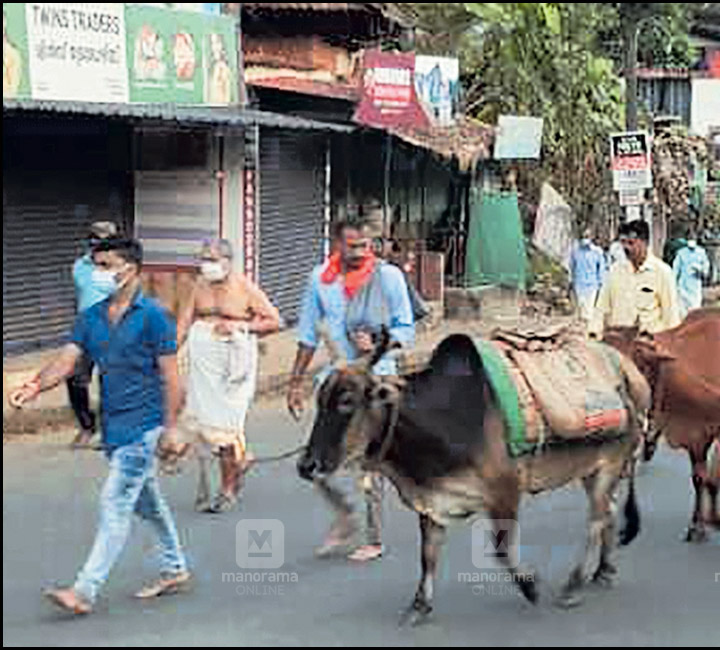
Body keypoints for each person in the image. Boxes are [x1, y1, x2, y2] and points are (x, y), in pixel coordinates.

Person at [10, 238, 191, 616]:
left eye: (106, 264)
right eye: (96, 265)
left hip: (144, 427)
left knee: (115, 503)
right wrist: (34, 385)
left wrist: (172, 427)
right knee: (148, 503)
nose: (99, 273)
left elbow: (172, 377)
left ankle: (84, 590)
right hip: (114, 427)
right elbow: (67, 361)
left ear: (132, 268)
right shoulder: (91, 318)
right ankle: (175, 567)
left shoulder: (154, 316)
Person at [286, 220, 418, 563]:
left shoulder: (388, 277)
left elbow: (406, 327)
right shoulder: (320, 280)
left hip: (375, 379)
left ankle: (374, 538)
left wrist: (378, 344)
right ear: (337, 244)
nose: (359, 253)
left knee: (370, 462)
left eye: (365, 246)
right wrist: (295, 381)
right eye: (352, 246)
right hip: (334, 383)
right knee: (315, 455)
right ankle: (345, 513)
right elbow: (307, 334)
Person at [175, 239, 282, 513]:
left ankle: (227, 489)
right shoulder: (198, 285)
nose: (206, 265)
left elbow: (274, 321)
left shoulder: (244, 287)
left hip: (234, 364)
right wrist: (168, 352)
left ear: (227, 261)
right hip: (202, 362)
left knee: (226, 428)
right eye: (203, 259)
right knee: (206, 427)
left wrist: (239, 325)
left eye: (211, 259)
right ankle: (236, 467)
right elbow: (184, 322)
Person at [68, 221, 119, 449]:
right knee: (75, 378)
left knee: (109, 381)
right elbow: (81, 295)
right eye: (95, 239)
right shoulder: (80, 266)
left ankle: (110, 433)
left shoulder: (122, 268)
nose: (98, 244)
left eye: (104, 240)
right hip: (86, 329)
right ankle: (87, 427)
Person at [589, 220, 681, 339]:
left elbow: (671, 316)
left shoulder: (662, 272)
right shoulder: (614, 271)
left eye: (631, 243)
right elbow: (601, 308)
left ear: (645, 243)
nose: (626, 248)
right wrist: (593, 334)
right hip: (618, 345)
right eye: (623, 243)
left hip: (648, 346)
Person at [568, 229, 607, 324]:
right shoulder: (575, 252)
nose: (585, 239)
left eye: (587, 236)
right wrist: (570, 281)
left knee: (589, 312)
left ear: (591, 238)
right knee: (581, 312)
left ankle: (588, 332)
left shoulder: (597, 252)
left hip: (592, 285)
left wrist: (602, 284)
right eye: (584, 236)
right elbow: (572, 267)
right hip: (579, 285)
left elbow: (601, 269)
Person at [673, 234, 711, 317]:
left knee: (695, 309)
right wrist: (673, 282)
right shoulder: (681, 253)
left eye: (693, 239)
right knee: (682, 310)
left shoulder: (701, 252)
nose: (691, 241)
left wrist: (701, 271)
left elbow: (706, 266)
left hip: (695, 285)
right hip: (683, 285)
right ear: (686, 240)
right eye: (690, 239)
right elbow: (676, 268)